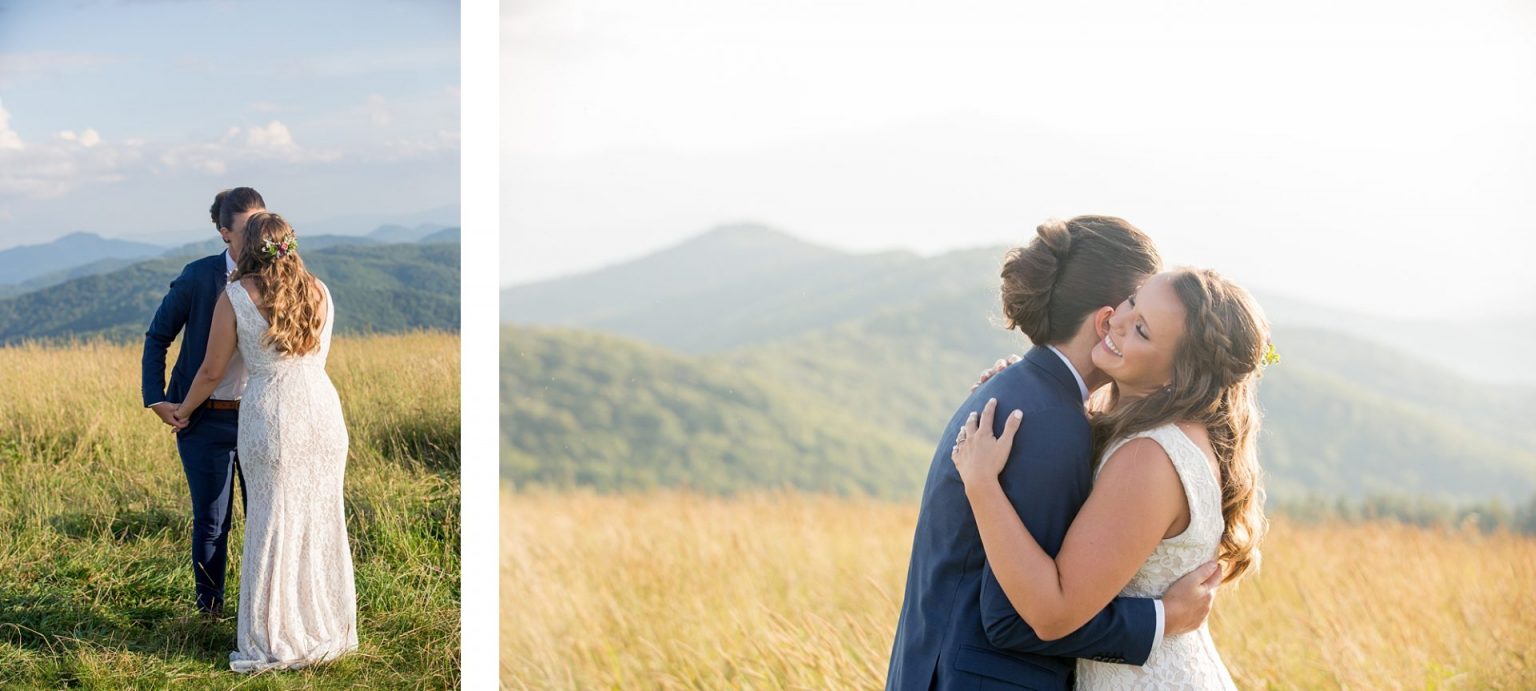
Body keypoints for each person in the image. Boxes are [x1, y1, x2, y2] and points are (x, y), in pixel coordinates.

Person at [887, 217, 1223, 690]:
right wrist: (1161, 618)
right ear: (1108, 321)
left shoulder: (1035, 398)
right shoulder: (1045, 422)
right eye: (1137, 309)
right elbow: (1017, 619)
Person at [952, 267, 1272, 688]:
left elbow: (1054, 613)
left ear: (1177, 375)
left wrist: (982, 486)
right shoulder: (1161, 429)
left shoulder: (1149, 457)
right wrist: (1025, 388)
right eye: (1133, 301)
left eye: (1140, 330)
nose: (1115, 320)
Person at [173, 211, 358, 672]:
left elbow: (213, 371)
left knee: (271, 520)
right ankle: (324, 625)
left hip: (272, 413)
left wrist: (184, 409)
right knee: (317, 517)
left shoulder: (235, 294)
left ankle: (275, 634)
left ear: (248, 246)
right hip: (322, 410)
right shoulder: (320, 290)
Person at [141, 186, 264, 616]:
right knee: (212, 523)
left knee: (265, 522)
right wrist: (155, 397)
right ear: (224, 233)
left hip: (262, 418)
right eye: (248, 228)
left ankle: (259, 610)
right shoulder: (198, 276)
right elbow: (158, 335)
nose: (258, 236)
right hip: (204, 420)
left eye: (262, 223)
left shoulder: (281, 280)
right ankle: (209, 612)